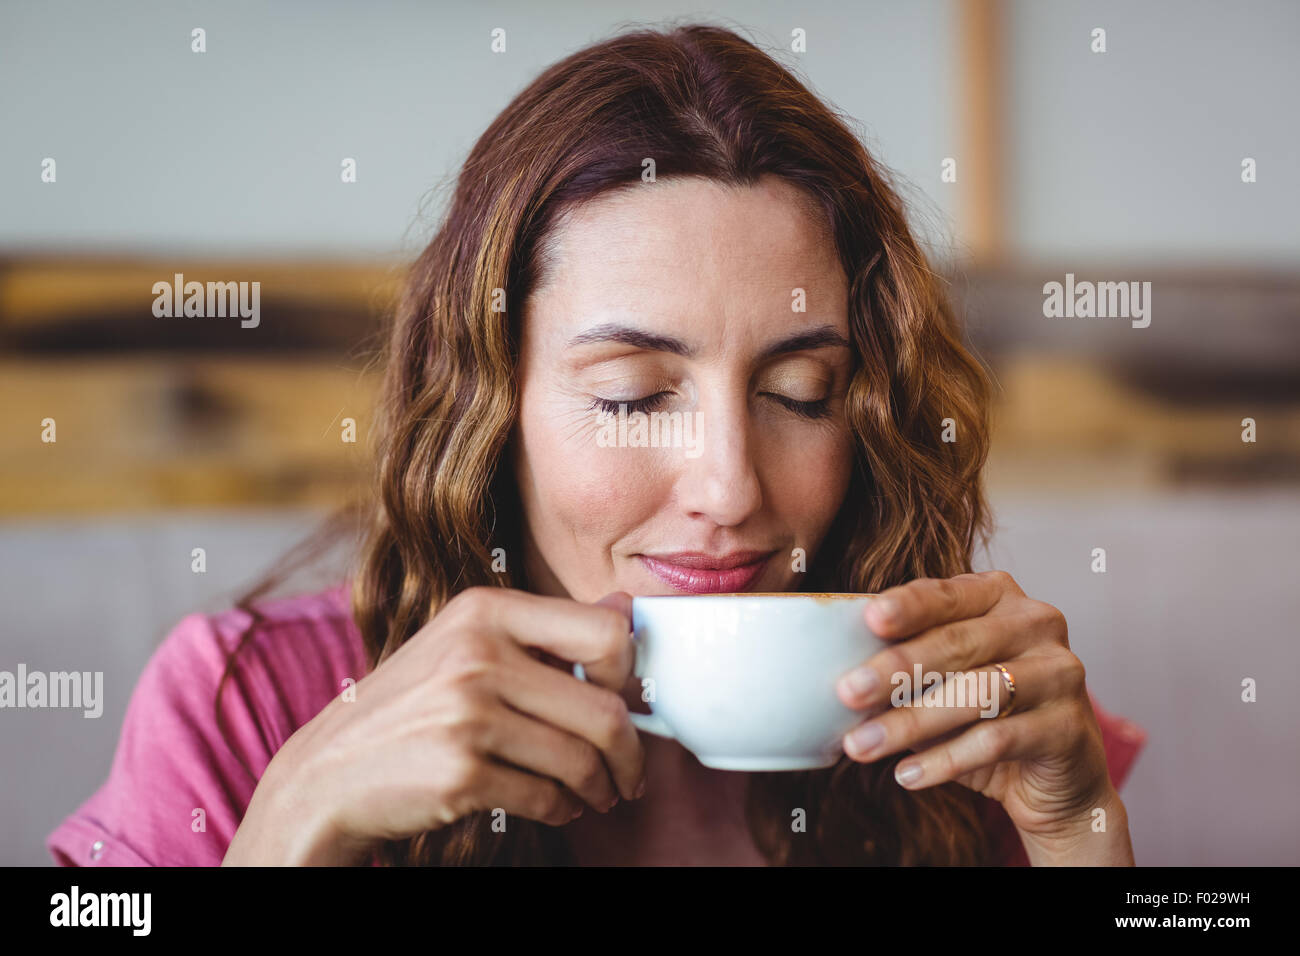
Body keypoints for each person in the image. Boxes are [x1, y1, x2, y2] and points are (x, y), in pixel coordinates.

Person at [48, 23, 1145, 867]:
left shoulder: (966, 716)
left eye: (802, 392)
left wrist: (1081, 826)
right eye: (629, 397)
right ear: (491, 404)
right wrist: (288, 824)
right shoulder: (250, 702)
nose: (728, 485)